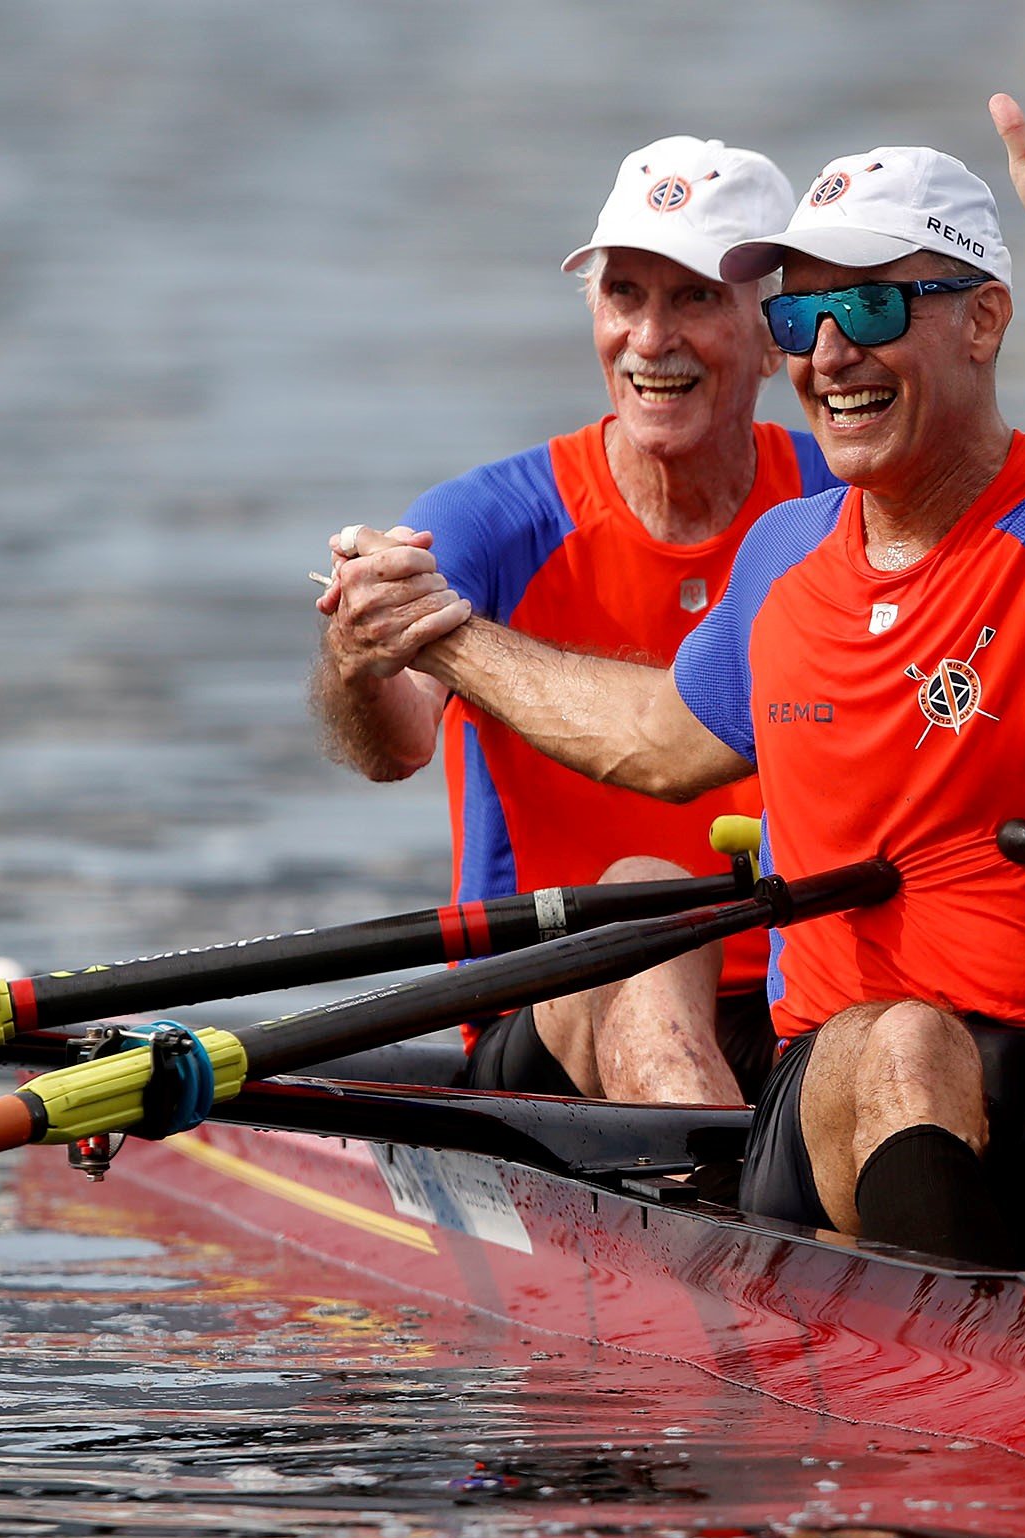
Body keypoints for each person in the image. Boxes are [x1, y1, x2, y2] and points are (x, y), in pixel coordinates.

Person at [372, 96, 1025, 1269]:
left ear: (984, 321)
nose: (825, 355)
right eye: (798, 315)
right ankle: (976, 1361)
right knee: (909, 1044)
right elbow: (654, 740)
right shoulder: (786, 551)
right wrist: (446, 637)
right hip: (848, 1090)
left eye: (865, 306)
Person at [310, 136, 834, 1106]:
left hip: (808, 993)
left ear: (776, 335)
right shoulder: (495, 520)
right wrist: (359, 657)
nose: (649, 338)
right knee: (639, 890)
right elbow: (396, 749)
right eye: (624, 295)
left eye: (695, 299)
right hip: (549, 999)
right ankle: (716, 1219)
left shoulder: (842, 504)